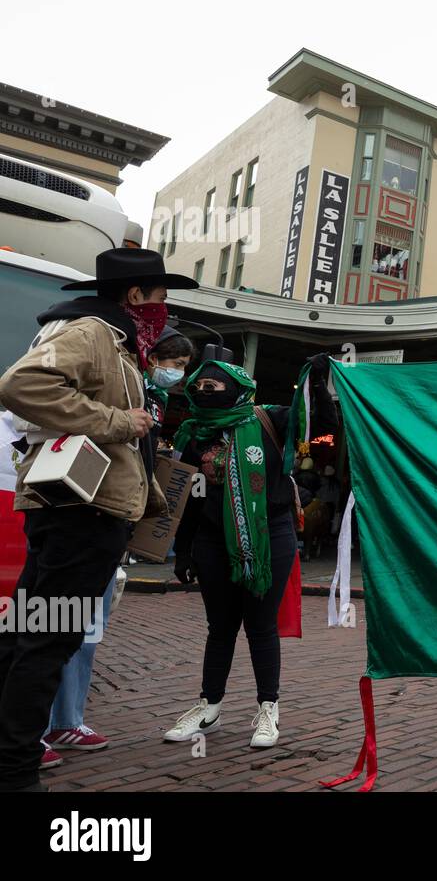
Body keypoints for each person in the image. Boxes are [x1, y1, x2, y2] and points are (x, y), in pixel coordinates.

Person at [0, 248, 198, 791]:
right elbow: (21, 386)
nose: (163, 310)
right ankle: (15, 771)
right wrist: (116, 420)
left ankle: (9, 754)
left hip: (77, 511)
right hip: (81, 516)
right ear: (134, 296)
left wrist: (150, 496)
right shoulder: (92, 332)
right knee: (49, 639)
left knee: (26, 633)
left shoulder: (115, 342)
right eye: (159, 298)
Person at [41, 327, 196, 767]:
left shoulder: (149, 402)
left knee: (85, 631)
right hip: (77, 518)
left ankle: (66, 719)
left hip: (112, 524)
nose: (175, 373)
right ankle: (26, 730)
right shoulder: (100, 382)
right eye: (172, 362)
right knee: (49, 628)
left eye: (182, 367)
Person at [163, 360, 300, 749]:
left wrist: (318, 383)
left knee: (261, 627)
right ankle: (209, 708)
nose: (207, 390)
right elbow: (188, 495)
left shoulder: (270, 418)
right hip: (211, 541)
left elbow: (315, 417)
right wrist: (183, 550)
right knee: (219, 628)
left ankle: (268, 709)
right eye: (200, 384)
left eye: (215, 384)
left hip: (267, 537)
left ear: (236, 387)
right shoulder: (193, 433)